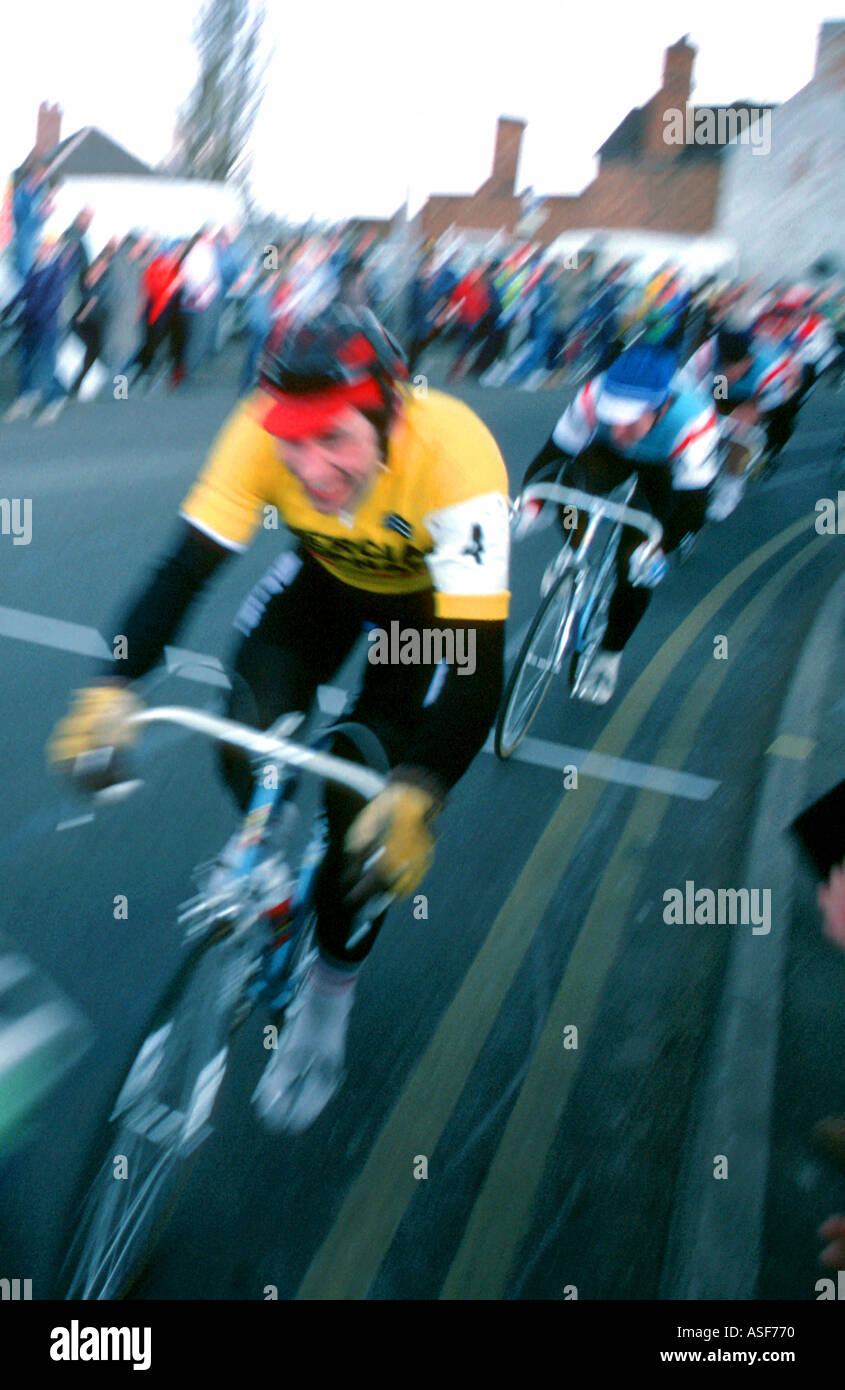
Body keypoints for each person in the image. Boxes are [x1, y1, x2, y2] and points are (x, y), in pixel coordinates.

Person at [47, 303, 510, 1134]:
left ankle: (328, 999)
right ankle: (264, 849)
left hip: (419, 621)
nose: (310, 466)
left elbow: (473, 669)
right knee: (245, 741)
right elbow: (183, 571)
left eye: (335, 440)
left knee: (359, 824)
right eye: (293, 443)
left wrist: (420, 791)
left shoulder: (456, 455)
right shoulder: (258, 430)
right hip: (318, 592)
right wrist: (110, 686)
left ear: (392, 413)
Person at [517, 344, 719, 705]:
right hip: (607, 456)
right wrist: (530, 503)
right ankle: (574, 555)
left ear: (661, 408)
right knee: (569, 488)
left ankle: (610, 655)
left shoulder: (695, 422)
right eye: (612, 417)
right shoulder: (592, 398)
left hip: (664, 471)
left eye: (629, 420)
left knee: (632, 565)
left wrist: (658, 550)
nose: (619, 428)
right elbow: (552, 456)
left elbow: (693, 508)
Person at [677, 324, 802, 516]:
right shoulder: (710, 352)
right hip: (726, 387)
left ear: (750, 358)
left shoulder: (772, 370)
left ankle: (731, 485)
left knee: (740, 434)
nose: (730, 371)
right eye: (725, 363)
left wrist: (734, 424)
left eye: (735, 365)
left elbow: (756, 409)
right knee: (714, 408)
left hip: (767, 393)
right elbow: (685, 385)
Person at [3, 234, 67, 425]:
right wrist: (6, 311)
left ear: (53, 250)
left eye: (45, 247)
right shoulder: (36, 268)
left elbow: (52, 302)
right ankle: (26, 398)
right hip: (30, 325)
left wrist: (28, 314)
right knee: (25, 362)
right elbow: (23, 293)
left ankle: (55, 398)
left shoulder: (56, 272)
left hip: (46, 327)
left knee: (45, 365)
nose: (40, 250)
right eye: (40, 247)